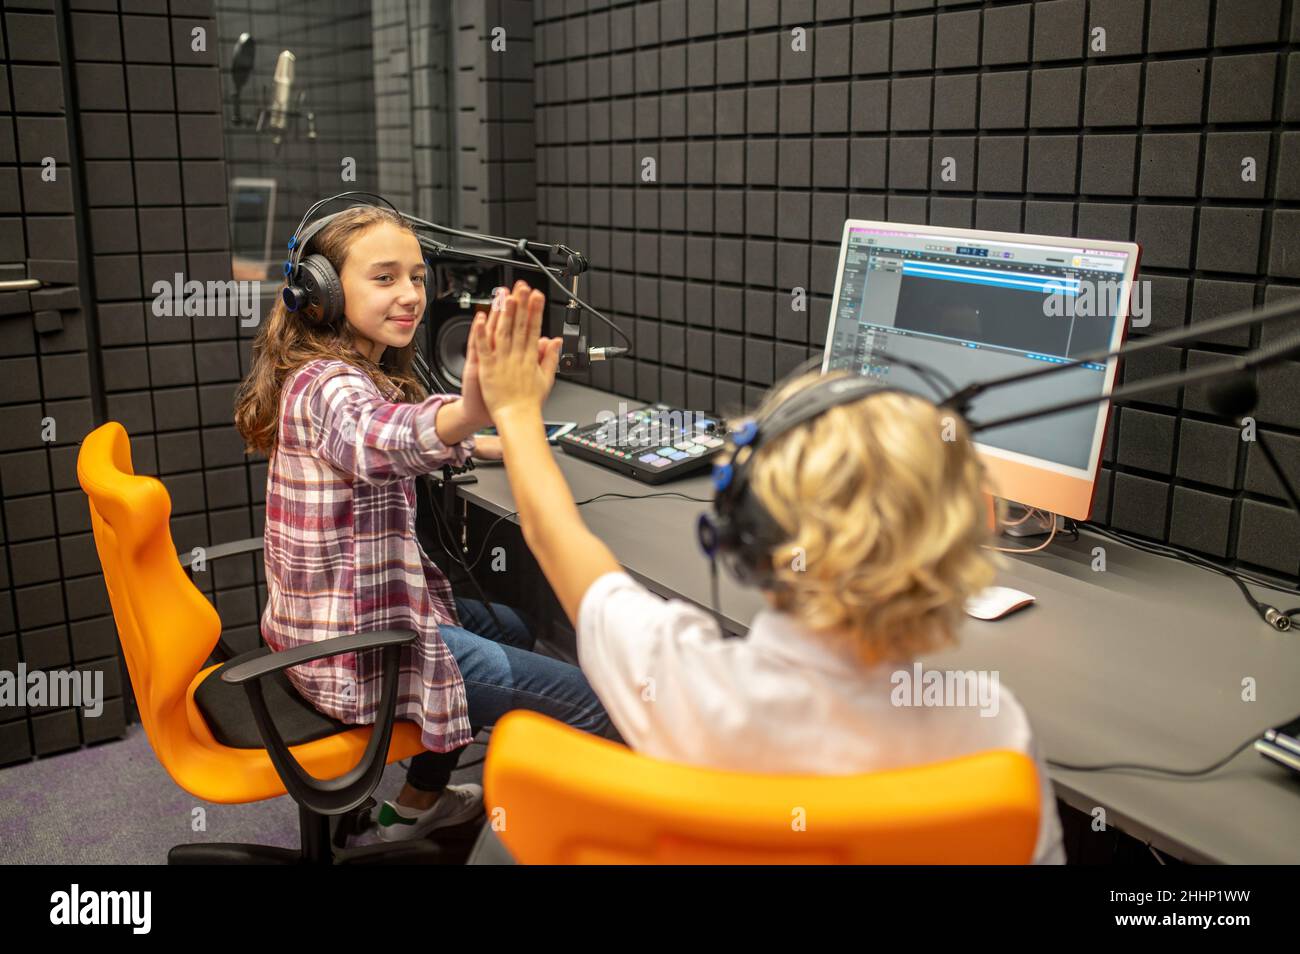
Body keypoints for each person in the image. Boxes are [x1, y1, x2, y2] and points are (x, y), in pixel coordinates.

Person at [467, 281, 1065, 864]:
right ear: (965, 546)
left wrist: (516, 411)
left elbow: (555, 536)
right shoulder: (994, 735)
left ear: (744, 529)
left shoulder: (677, 678)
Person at [232, 206, 611, 842]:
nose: (410, 294)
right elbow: (374, 436)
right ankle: (574, 839)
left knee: (516, 627)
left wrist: (477, 440)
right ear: (322, 291)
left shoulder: (335, 371)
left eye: (416, 275)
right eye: (384, 278)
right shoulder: (329, 385)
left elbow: (385, 433)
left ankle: (416, 806)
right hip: (357, 654)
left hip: (325, 628)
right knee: (592, 700)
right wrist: (466, 415)